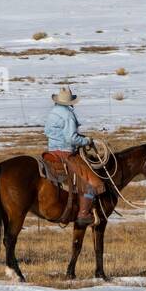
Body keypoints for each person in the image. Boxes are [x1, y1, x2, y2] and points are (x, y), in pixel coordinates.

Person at [43, 84, 106, 226]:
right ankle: (83, 214)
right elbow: (71, 138)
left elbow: (48, 131)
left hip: (51, 151)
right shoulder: (68, 115)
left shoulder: (53, 112)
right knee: (93, 183)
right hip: (65, 153)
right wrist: (86, 140)